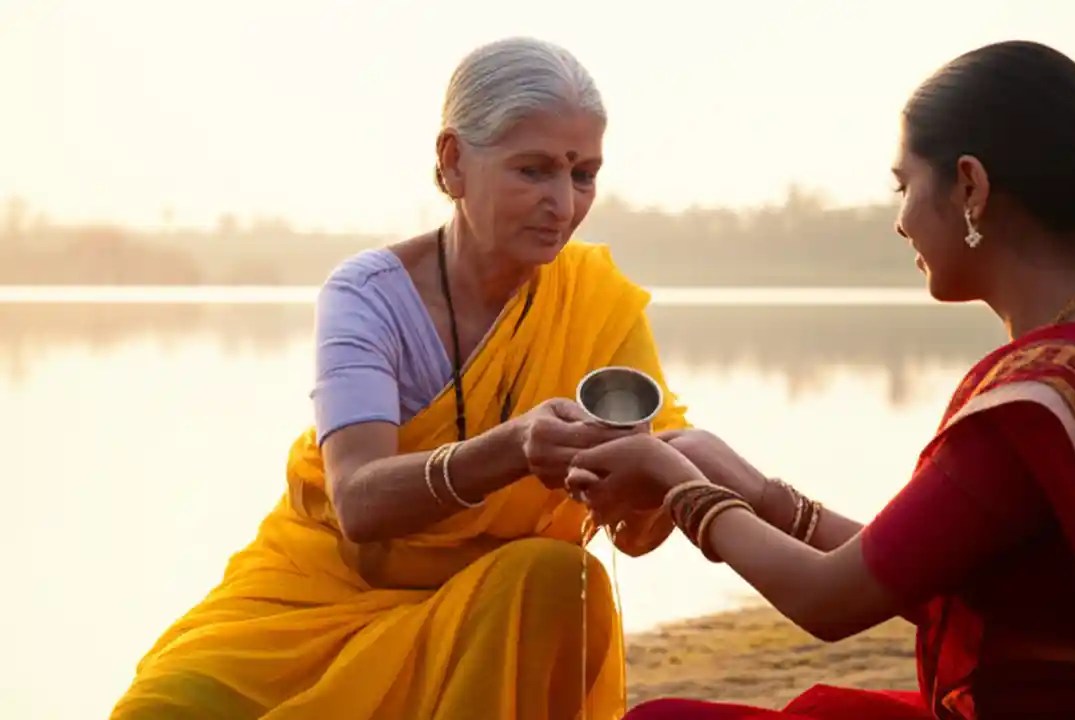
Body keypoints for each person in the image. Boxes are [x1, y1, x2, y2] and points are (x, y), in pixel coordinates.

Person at [567, 41, 1075, 719]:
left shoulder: (1041, 399)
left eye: (904, 185)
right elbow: (923, 566)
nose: (900, 221)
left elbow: (830, 602)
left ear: (970, 185)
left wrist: (673, 482)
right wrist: (750, 489)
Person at [111, 37, 689, 720]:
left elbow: (639, 535)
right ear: (453, 163)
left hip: (488, 619)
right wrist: (511, 449)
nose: (562, 204)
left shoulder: (595, 302)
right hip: (319, 603)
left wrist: (638, 486)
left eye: (583, 175)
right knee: (166, 707)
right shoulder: (370, 296)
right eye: (533, 171)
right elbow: (357, 501)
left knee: (559, 576)